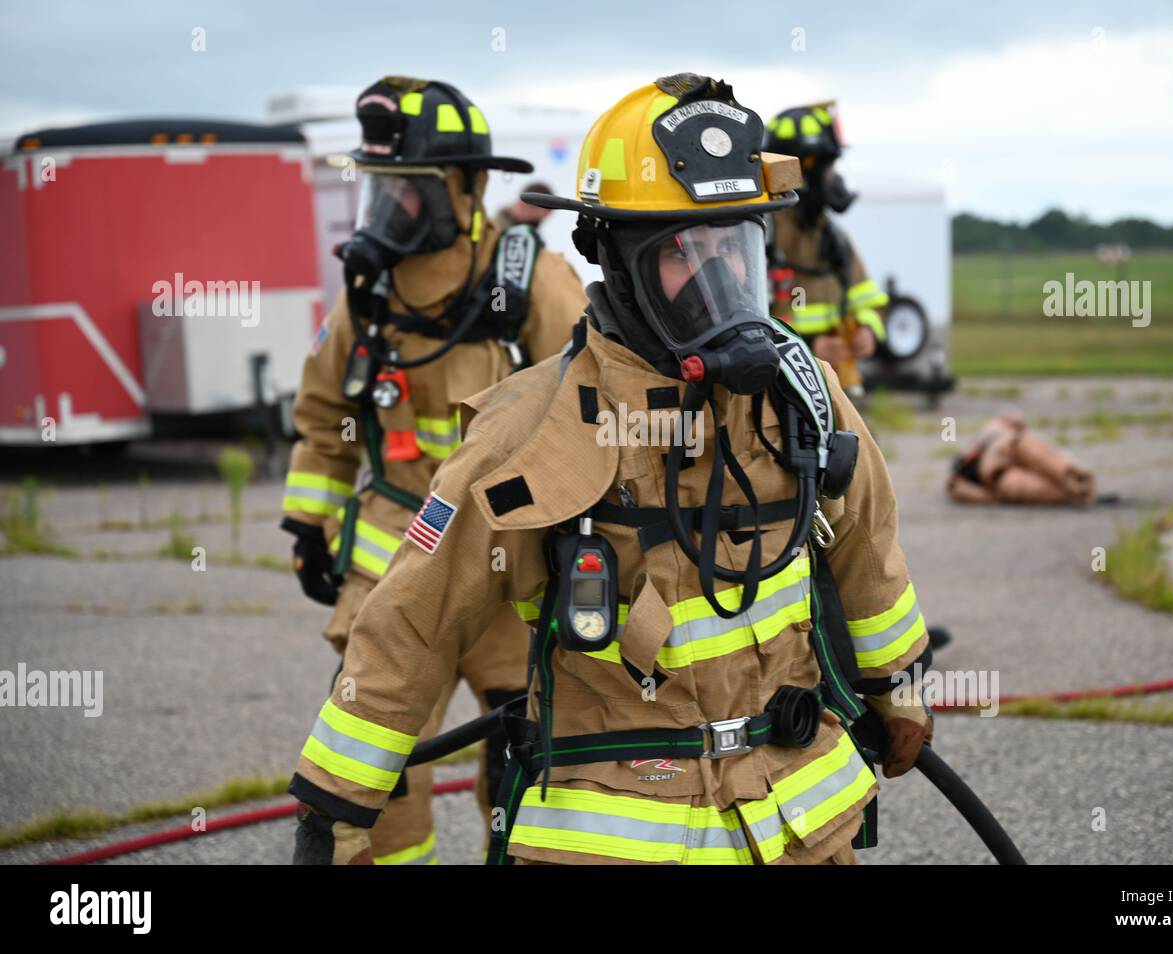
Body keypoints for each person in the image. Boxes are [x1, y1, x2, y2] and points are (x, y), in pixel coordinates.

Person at [290, 73, 933, 866]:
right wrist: (339, 804)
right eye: (683, 253)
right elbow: (413, 622)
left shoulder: (802, 395)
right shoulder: (529, 431)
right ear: (616, 261)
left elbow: (867, 549)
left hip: (798, 824)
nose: (718, 280)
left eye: (735, 247)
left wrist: (897, 685)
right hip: (623, 839)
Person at [280, 76, 587, 865]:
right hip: (391, 560)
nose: (388, 209)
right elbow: (324, 417)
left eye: (407, 191)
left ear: (464, 186)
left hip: (507, 558)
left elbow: (594, 409)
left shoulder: (531, 285)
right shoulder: (369, 295)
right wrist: (308, 520)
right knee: (371, 760)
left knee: (525, 755)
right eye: (380, 189)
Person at [762, 102, 889, 394]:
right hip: (780, 395)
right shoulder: (763, 236)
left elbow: (869, 301)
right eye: (829, 167)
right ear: (802, 171)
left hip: (833, 394)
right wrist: (808, 347)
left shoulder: (832, 237)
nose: (834, 178)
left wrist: (867, 330)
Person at [948, 410, 1098, 505]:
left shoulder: (990, 435)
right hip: (999, 465)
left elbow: (1012, 419)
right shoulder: (991, 439)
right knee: (1025, 447)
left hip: (1000, 475)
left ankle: (1076, 486)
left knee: (1031, 484)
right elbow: (1013, 420)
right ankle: (1074, 478)